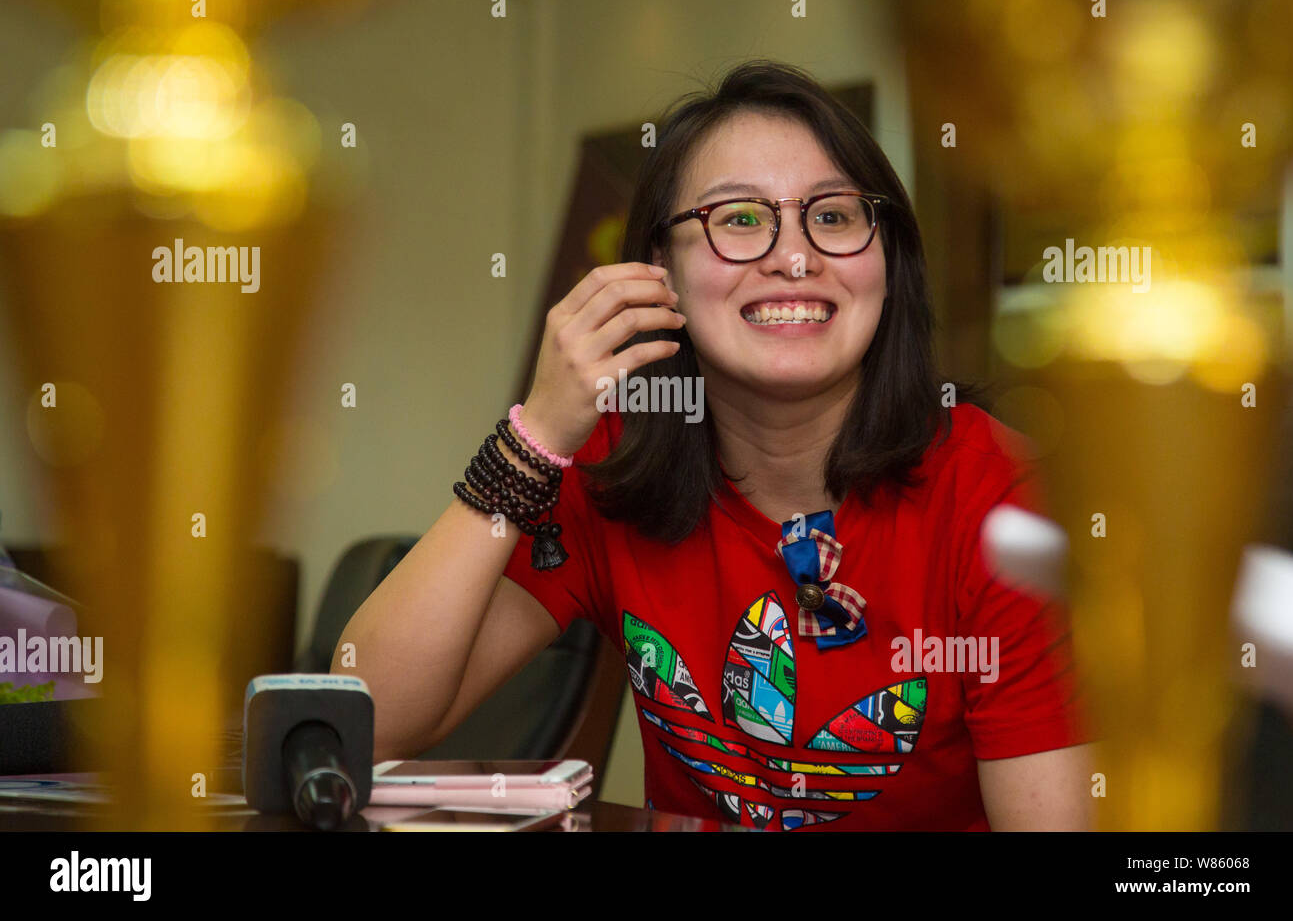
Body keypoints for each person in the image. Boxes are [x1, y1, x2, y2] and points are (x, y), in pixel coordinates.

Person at [334, 59, 1094, 831]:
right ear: (658, 271)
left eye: (832, 216)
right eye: (737, 218)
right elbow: (366, 723)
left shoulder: (1007, 501)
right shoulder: (616, 466)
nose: (793, 256)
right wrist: (535, 437)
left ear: (887, 265)